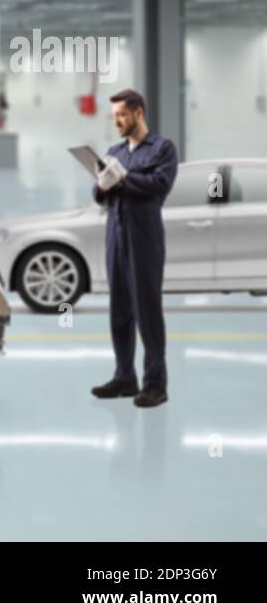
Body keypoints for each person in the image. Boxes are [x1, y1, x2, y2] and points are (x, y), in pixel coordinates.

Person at [90, 89, 178, 408]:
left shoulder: (162, 149)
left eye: (122, 116)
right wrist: (102, 183)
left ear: (139, 113)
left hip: (144, 237)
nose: (117, 122)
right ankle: (125, 377)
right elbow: (99, 194)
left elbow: (159, 185)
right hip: (116, 232)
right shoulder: (115, 150)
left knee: (147, 312)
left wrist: (123, 180)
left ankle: (156, 385)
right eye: (114, 117)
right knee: (120, 311)